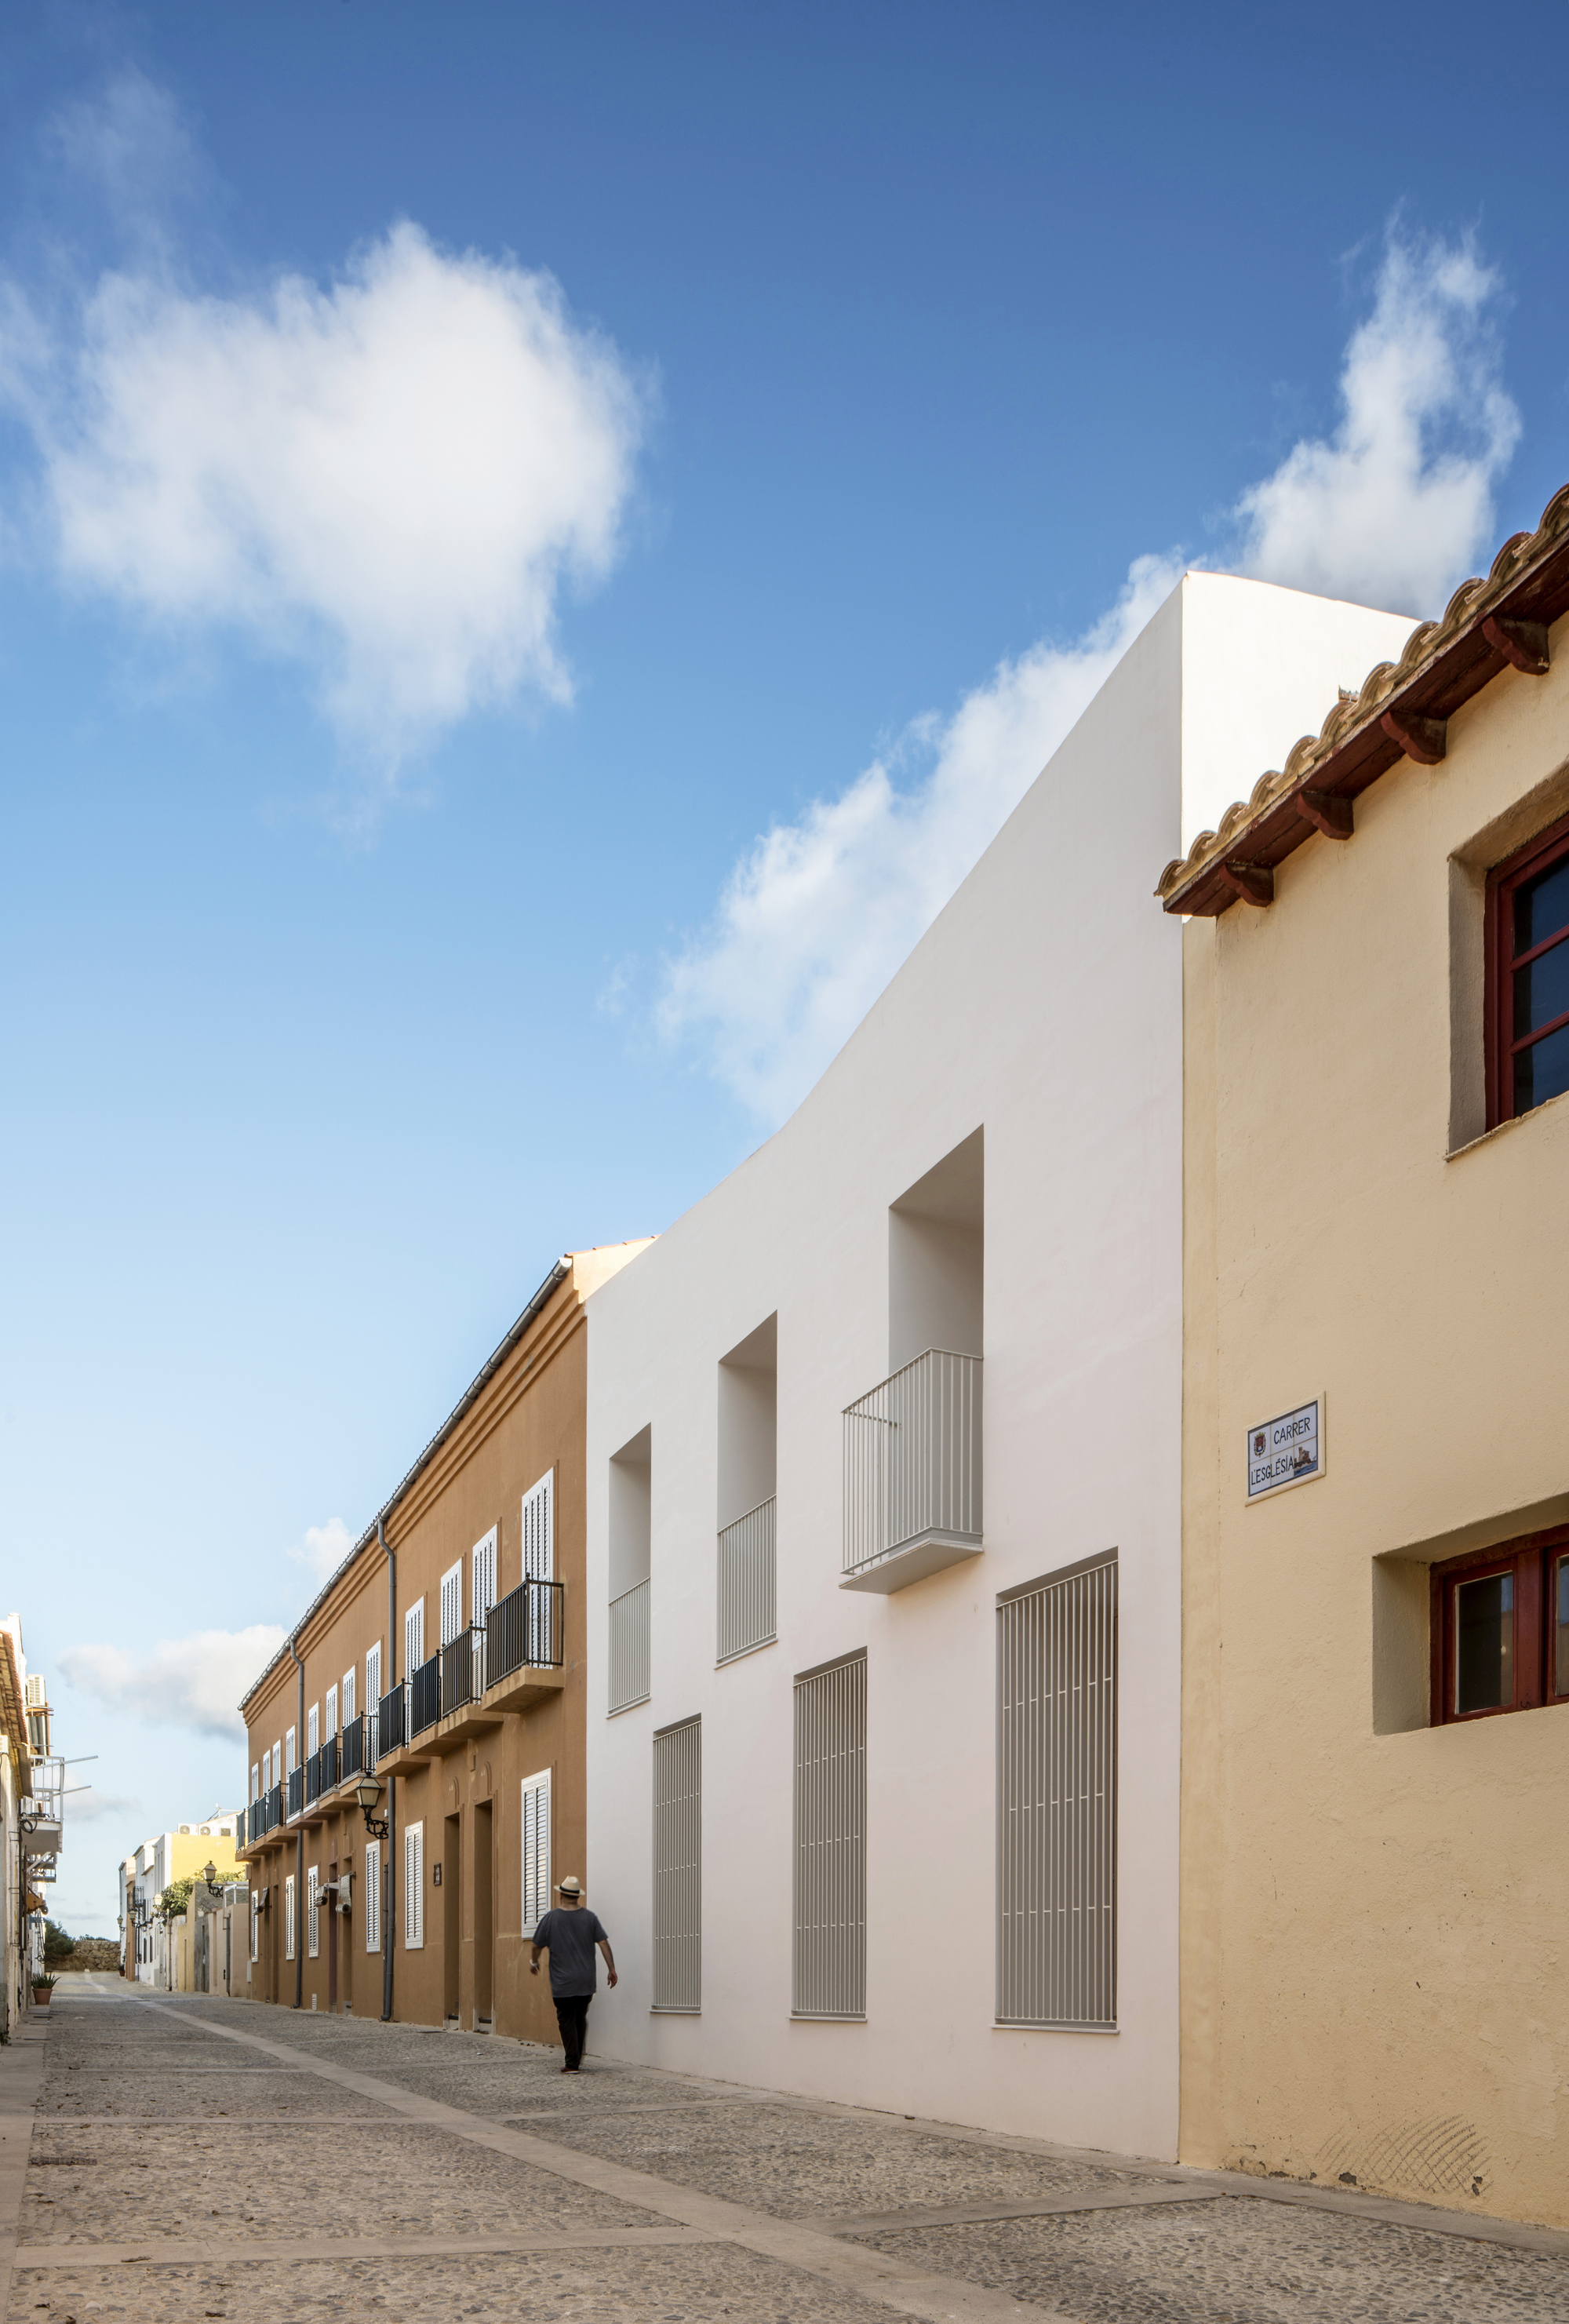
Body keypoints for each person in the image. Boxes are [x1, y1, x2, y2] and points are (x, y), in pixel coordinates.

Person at [530, 1874, 617, 2072]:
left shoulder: (551, 1918)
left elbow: (536, 1945)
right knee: (579, 2016)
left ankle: (572, 2063)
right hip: (586, 1980)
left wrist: (534, 1961)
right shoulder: (590, 1918)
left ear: (561, 1895)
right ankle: (576, 2058)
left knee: (566, 2017)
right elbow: (603, 1942)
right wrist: (611, 1969)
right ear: (577, 1896)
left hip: (563, 1981)